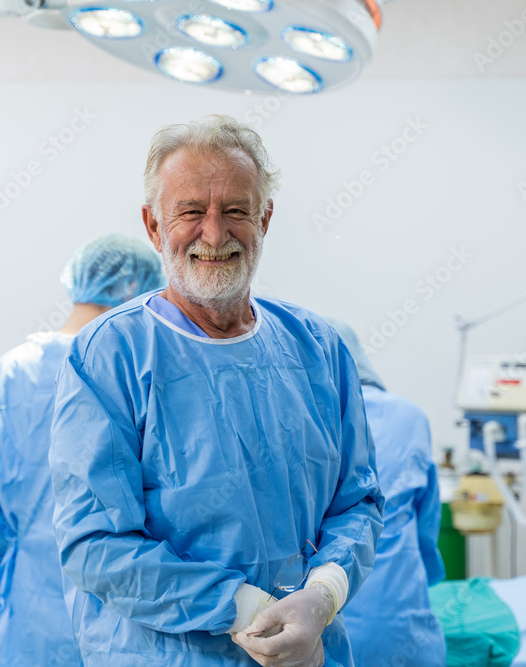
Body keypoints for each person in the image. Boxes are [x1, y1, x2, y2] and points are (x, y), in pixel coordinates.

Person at [48, 116, 384, 667]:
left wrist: (321, 597)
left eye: (235, 211)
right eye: (189, 212)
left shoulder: (317, 348)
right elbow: (97, 545)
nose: (213, 233)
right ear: (154, 227)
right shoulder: (111, 356)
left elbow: (357, 502)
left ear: (265, 219)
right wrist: (248, 608)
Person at [0, 234, 165, 667]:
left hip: (31, 614)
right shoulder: (137, 371)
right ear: (136, 290)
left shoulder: (5, 376)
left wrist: (12, 577)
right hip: (124, 614)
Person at [325, 317, 447, 667]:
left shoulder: (313, 421)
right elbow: (426, 532)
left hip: (332, 630)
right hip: (406, 633)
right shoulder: (409, 417)